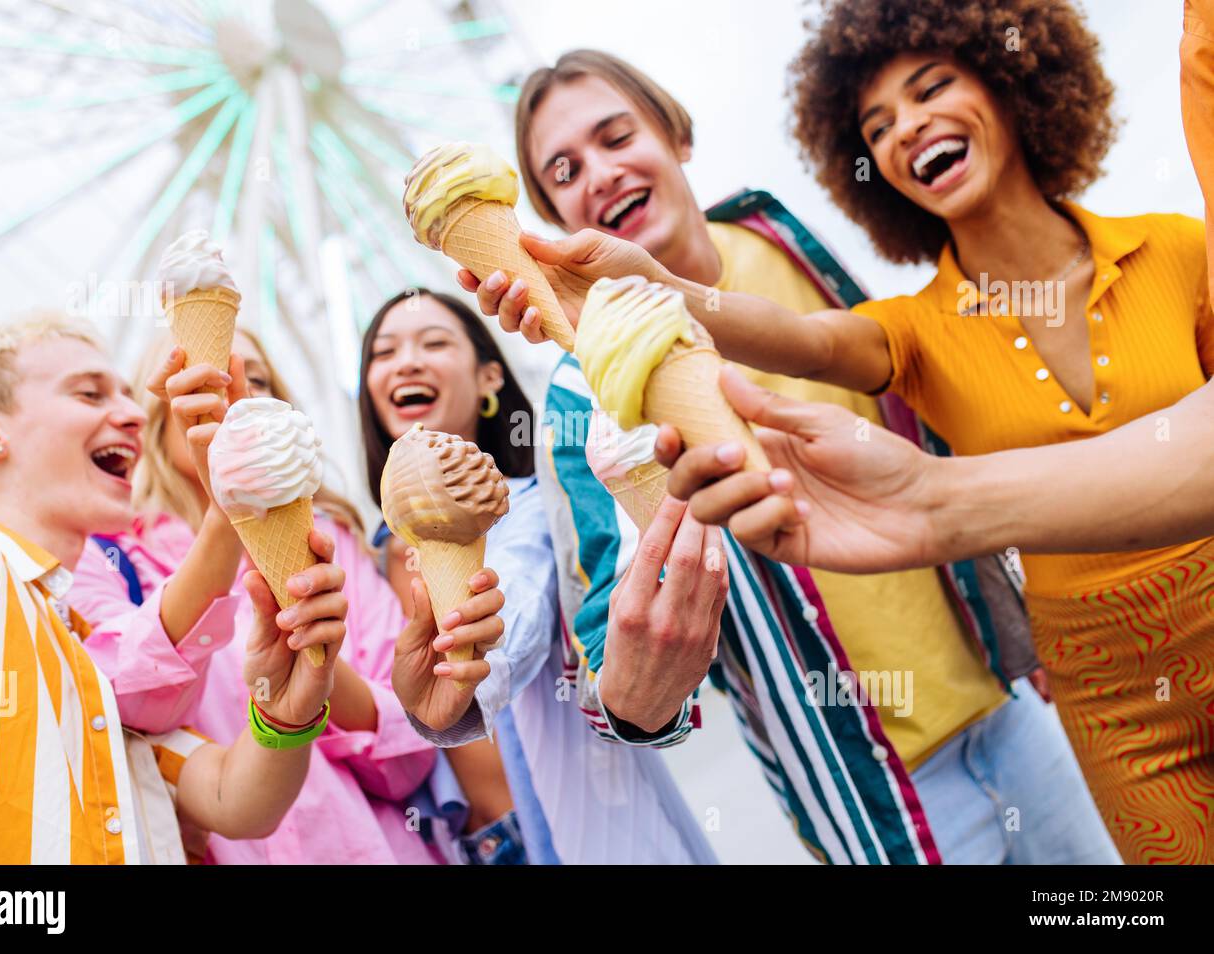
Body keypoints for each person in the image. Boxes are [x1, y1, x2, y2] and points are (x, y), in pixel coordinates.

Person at [483, 3, 1214, 864]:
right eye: (563, 170)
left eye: (615, 137)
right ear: (553, 215)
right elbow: (619, 663)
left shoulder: (778, 237)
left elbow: (923, 423)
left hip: (1012, 713)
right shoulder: (578, 399)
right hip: (875, 787)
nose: (597, 173)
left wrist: (1017, 635)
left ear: (676, 136)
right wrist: (640, 696)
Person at [660, 0, 1214, 572]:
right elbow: (808, 342)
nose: (907, 127)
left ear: (1007, 84)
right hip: (1082, 660)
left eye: (931, 90)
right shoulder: (913, 331)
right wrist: (651, 290)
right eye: (879, 128)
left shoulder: (1175, 247)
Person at [0, 314, 347, 863]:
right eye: (90, 394)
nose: (134, 415)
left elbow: (234, 801)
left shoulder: (88, 632)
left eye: (126, 395)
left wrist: (284, 711)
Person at [68, 328, 501, 864]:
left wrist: (316, 668)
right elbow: (124, 704)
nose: (232, 401)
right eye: (207, 381)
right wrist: (228, 517)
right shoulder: (101, 554)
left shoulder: (332, 538)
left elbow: (411, 751)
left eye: (254, 383)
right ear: (159, 411)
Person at [362, 287, 718, 864]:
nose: (408, 361)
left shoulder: (532, 508)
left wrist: (475, 663)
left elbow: (518, 600)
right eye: (384, 352)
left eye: (434, 343)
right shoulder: (366, 555)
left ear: (489, 381)